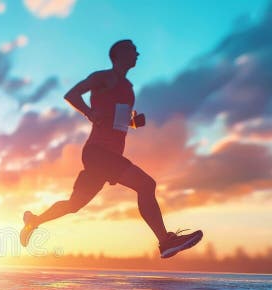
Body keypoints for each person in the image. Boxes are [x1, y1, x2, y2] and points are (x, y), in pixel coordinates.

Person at [20, 40, 202, 258]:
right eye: (133, 49)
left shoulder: (128, 88)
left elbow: (118, 118)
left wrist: (134, 122)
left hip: (109, 155)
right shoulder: (103, 77)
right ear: (119, 54)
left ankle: (34, 221)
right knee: (146, 185)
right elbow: (72, 95)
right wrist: (89, 112)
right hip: (98, 153)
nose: (138, 53)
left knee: (73, 204)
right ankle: (165, 241)